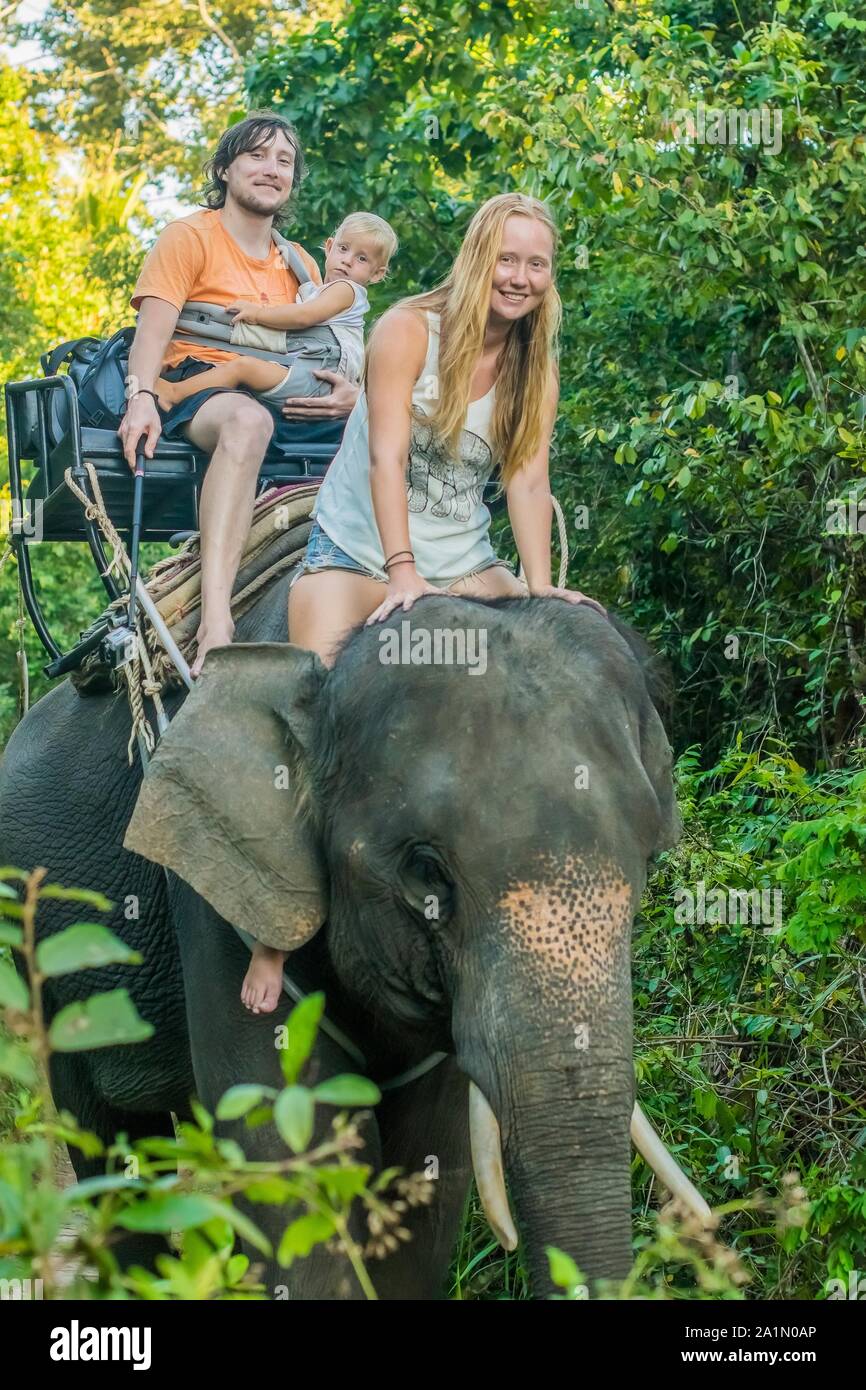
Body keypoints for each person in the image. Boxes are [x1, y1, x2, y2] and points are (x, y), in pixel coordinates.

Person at [240, 190, 606, 1015]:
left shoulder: (531, 361)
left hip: (464, 561)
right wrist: (401, 570)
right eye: (508, 259)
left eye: (536, 264)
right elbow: (384, 455)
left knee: (557, 669)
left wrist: (540, 587)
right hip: (364, 554)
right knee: (310, 709)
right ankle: (275, 926)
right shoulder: (408, 328)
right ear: (480, 257)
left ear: (549, 277)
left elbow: (525, 476)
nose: (520, 277)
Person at [118, 110, 359, 678]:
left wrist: (355, 396)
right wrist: (142, 397)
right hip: (201, 387)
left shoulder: (299, 260)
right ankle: (216, 620)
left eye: (284, 161)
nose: (271, 169)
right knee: (247, 421)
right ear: (225, 168)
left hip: (284, 389)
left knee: (395, 426)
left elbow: (335, 345)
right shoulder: (189, 237)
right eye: (256, 155)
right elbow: (152, 335)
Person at [154, 212, 396, 411]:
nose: (348, 260)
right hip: (312, 374)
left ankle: (175, 393)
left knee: (244, 367)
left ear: (377, 274)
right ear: (330, 247)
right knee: (248, 371)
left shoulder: (346, 290)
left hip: (319, 378)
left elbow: (303, 317)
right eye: (343, 249)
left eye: (362, 259)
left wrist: (257, 313)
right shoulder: (319, 290)